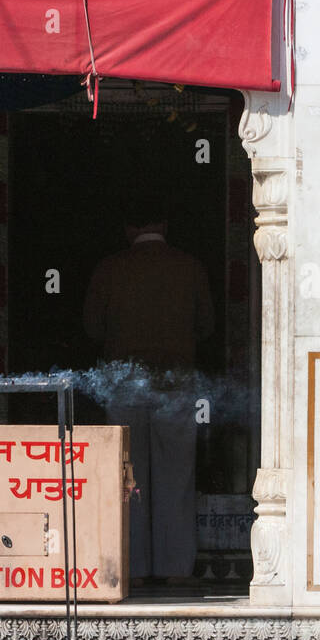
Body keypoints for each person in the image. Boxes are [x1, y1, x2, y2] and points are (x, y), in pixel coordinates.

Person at [83, 199, 214, 584]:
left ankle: (132, 569)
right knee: (176, 476)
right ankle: (174, 570)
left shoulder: (110, 269)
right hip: (176, 382)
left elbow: (92, 327)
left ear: (128, 229)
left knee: (128, 478)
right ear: (165, 223)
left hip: (125, 383)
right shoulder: (190, 267)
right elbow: (205, 325)